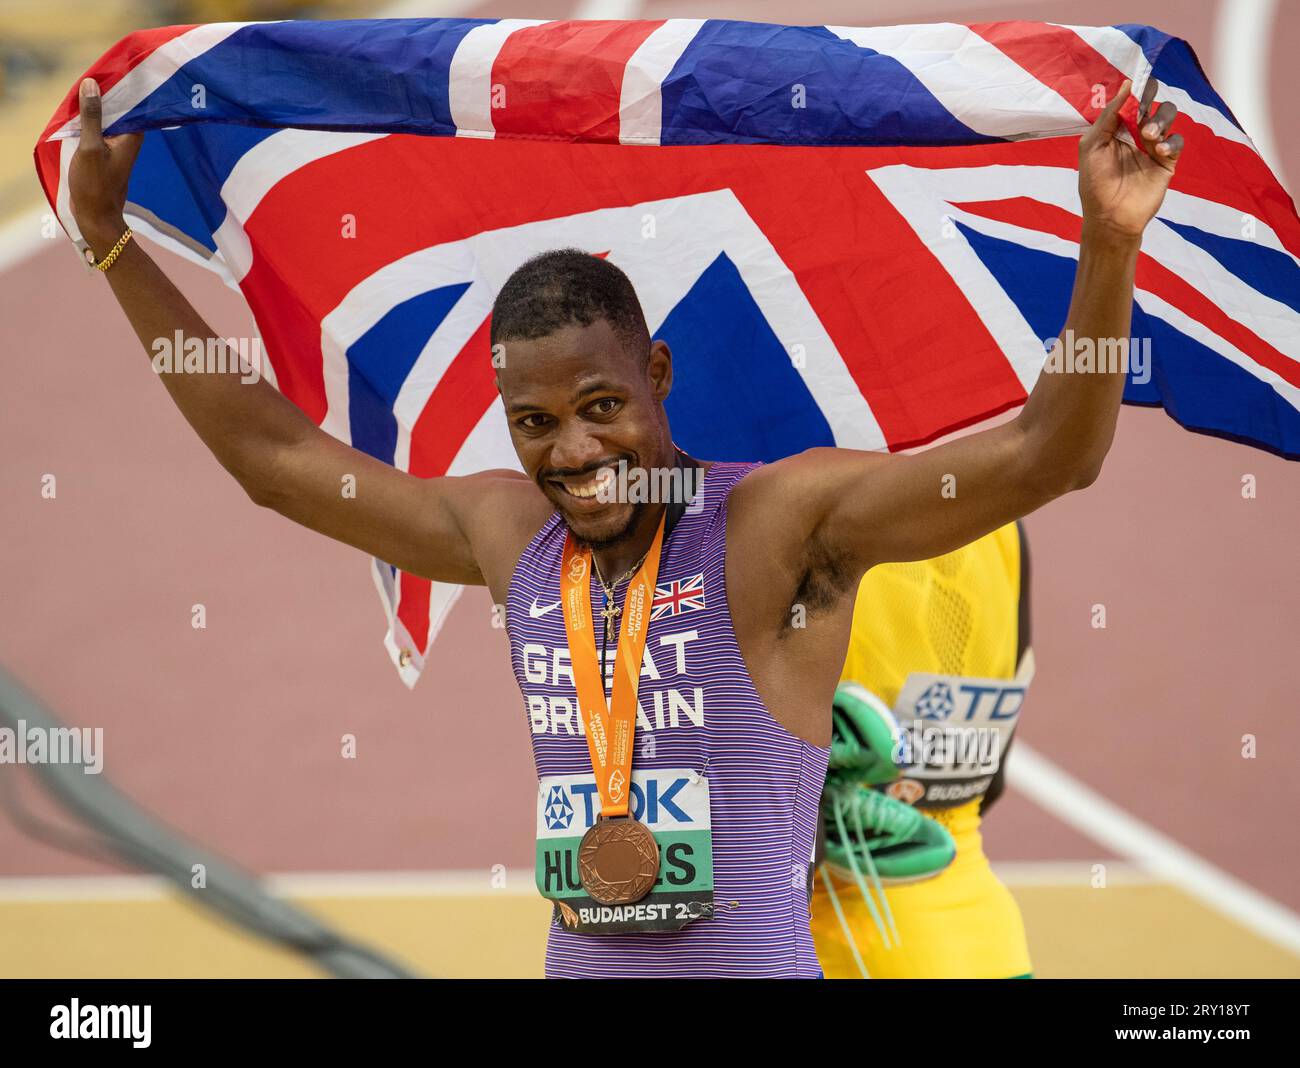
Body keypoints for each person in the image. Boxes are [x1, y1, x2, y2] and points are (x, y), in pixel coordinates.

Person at [67, 73, 1181, 977]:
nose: (574, 455)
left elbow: (1051, 456)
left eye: (601, 408)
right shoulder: (507, 537)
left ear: (655, 376)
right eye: (535, 423)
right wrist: (113, 244)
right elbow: (276, 461)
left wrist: (1110, 243)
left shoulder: (775, 525)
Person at [812, 523, 1035, 978]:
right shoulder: (1003, 521)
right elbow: (988, 783)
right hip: (986, 943)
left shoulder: (778, 510)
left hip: (832, 947)